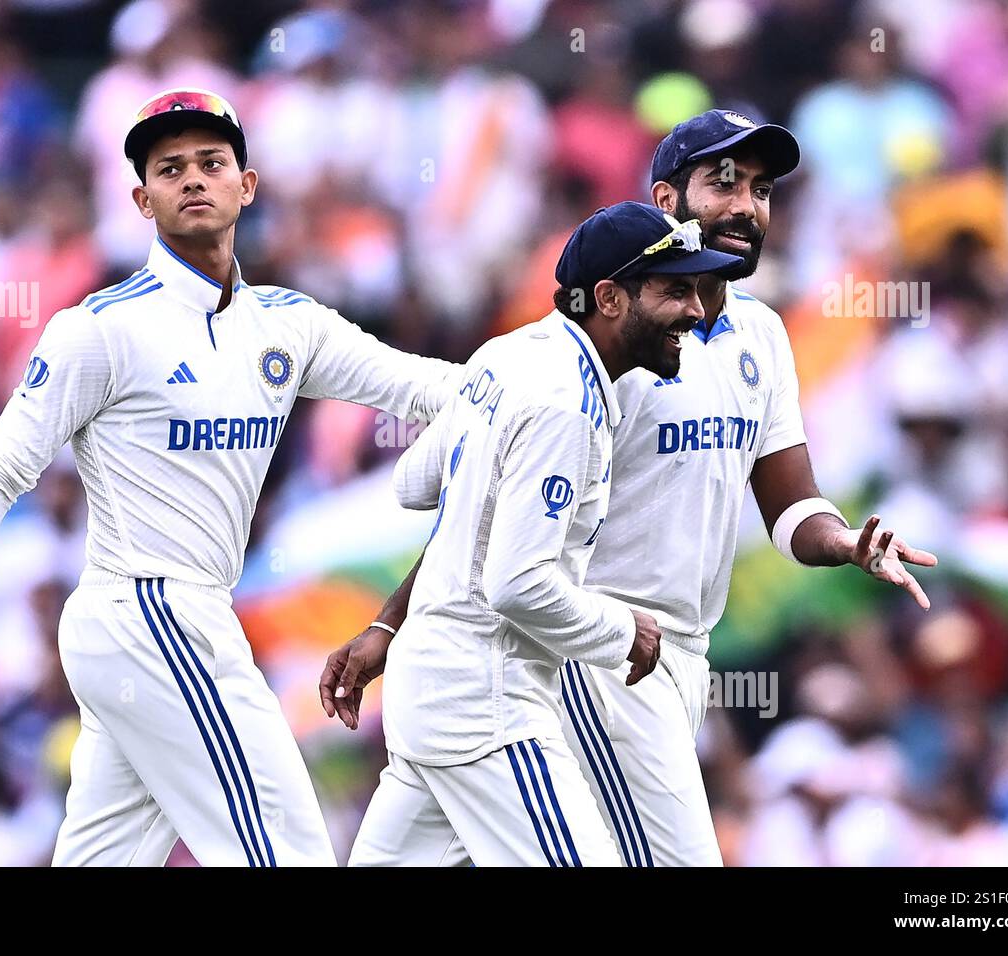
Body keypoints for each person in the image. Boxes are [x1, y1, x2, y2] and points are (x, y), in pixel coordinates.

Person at [0, 88, 457, 867]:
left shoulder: (289, 324)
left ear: (249, 184)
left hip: (168, 624)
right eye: (170, 169)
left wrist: (566, 373)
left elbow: (432, 388)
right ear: (142, 199)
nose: (194, 179)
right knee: (290, 853)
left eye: (212, 162)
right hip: (150, 611)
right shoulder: (100, 329)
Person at [321, 110, 937, 867]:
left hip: (670, 653)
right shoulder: (614, 353)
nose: (747, 205)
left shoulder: (763, 337)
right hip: (591, 656)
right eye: (724, 183)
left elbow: (789, 505)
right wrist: (389, 621)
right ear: (666, 202)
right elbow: (491, 519)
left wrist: (844, 542)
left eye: (763, 189)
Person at [343, 202, 742, 866]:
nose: (697, 310)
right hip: (487, 705)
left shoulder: (511, 353)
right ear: (611, 298)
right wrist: (624, 630)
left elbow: (414, 482)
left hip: (429, 690)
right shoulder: (568, 405)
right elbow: (516, 585)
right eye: (675, 290)